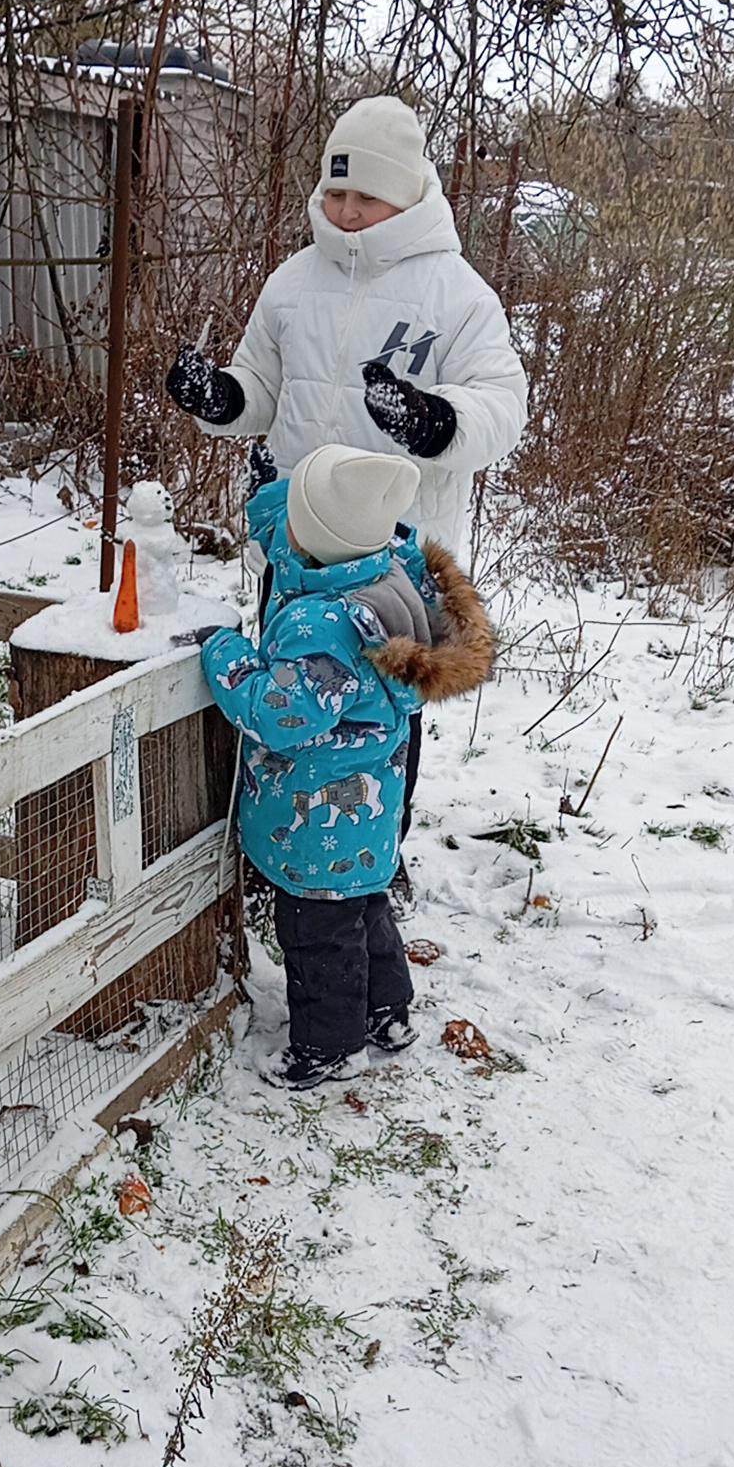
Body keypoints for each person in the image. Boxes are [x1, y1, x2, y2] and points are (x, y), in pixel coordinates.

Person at [166, 95, 525, 910]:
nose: (347, 209)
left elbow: (504, 406)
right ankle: (283, 849)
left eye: (365, 194)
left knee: (382, 712)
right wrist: (219, 397)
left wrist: (438, 422)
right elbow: (261, 387)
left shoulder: (456, 294)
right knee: (291, 701)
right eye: (335, 193)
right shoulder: (293, 282)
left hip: (394, 555)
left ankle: (375, 861)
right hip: (298, 542)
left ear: (407, 195)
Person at [191, 444, 494, 1090]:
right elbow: (301, 529)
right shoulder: (385, 576)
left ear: (316, 538)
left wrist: (226, 653)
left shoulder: (321, 629)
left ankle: (329, 1046)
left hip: (316, 822)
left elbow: (277, 713)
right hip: (369, 819)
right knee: (365, 909)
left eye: (297, 512)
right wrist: (279, 490)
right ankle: (388, 1012)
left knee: (318, 933)